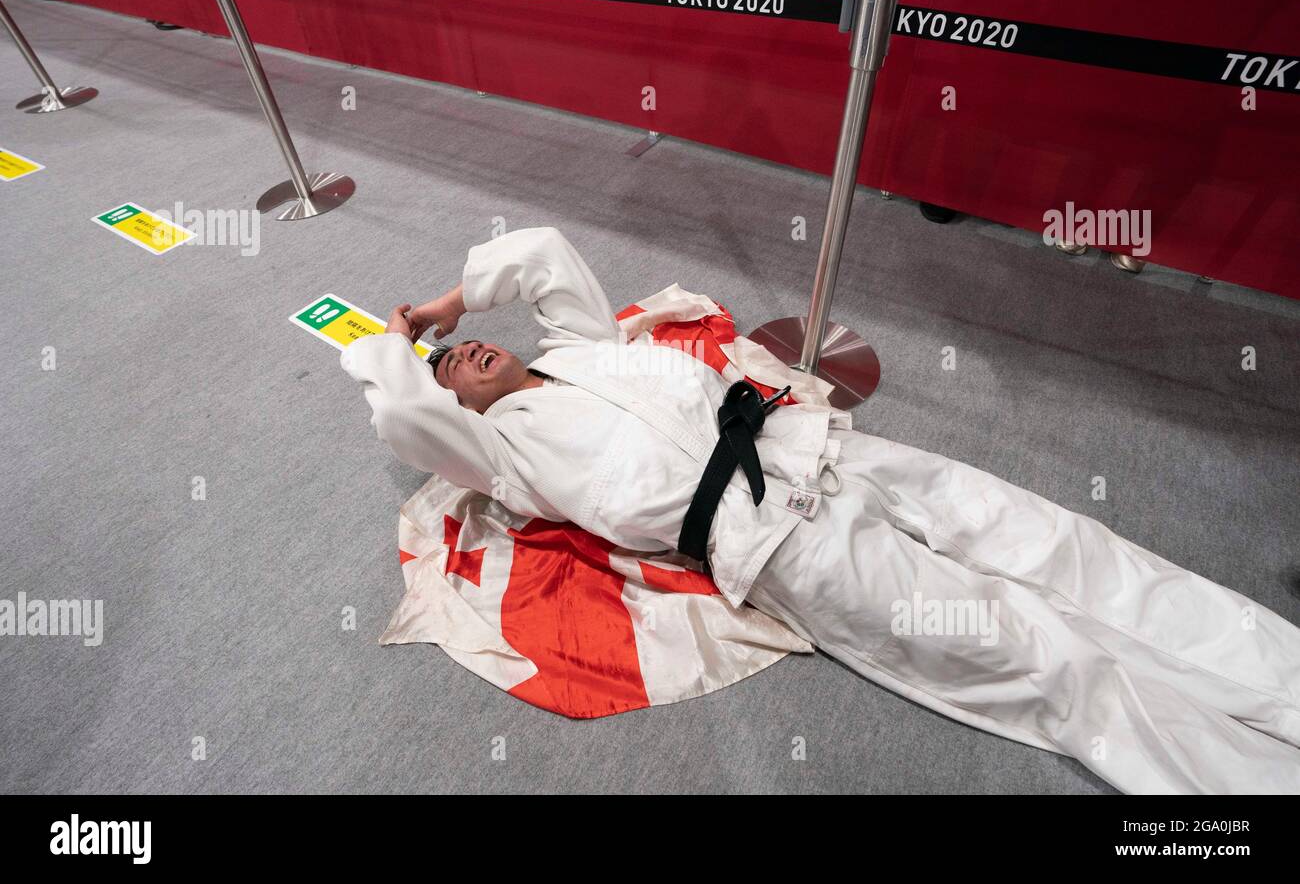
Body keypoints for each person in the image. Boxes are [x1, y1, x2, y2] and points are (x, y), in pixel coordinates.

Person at [342, 226, 1300, 794]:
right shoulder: (502, 455)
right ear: (455, 420)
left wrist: (441, 307)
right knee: (1041, 659)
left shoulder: (581, 345)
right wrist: (403, 348)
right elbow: (394, 402)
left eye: (462, 348)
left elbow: (541, 252)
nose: (457, 360)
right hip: (785, 544)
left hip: (826, 450)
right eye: (446, 374)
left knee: (1070, 548)